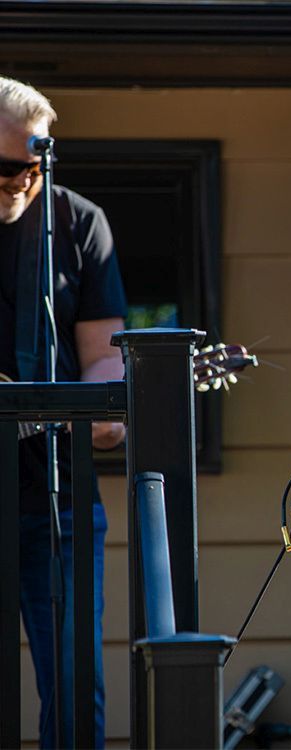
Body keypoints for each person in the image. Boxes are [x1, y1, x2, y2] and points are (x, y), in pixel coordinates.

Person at [0, 76, 127, 748]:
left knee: (74, 688)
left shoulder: (77, 221)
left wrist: (105, 407)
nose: (22, 181)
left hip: (58, 497)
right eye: (7, 168)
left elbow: (103, 355)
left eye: (36, 166)